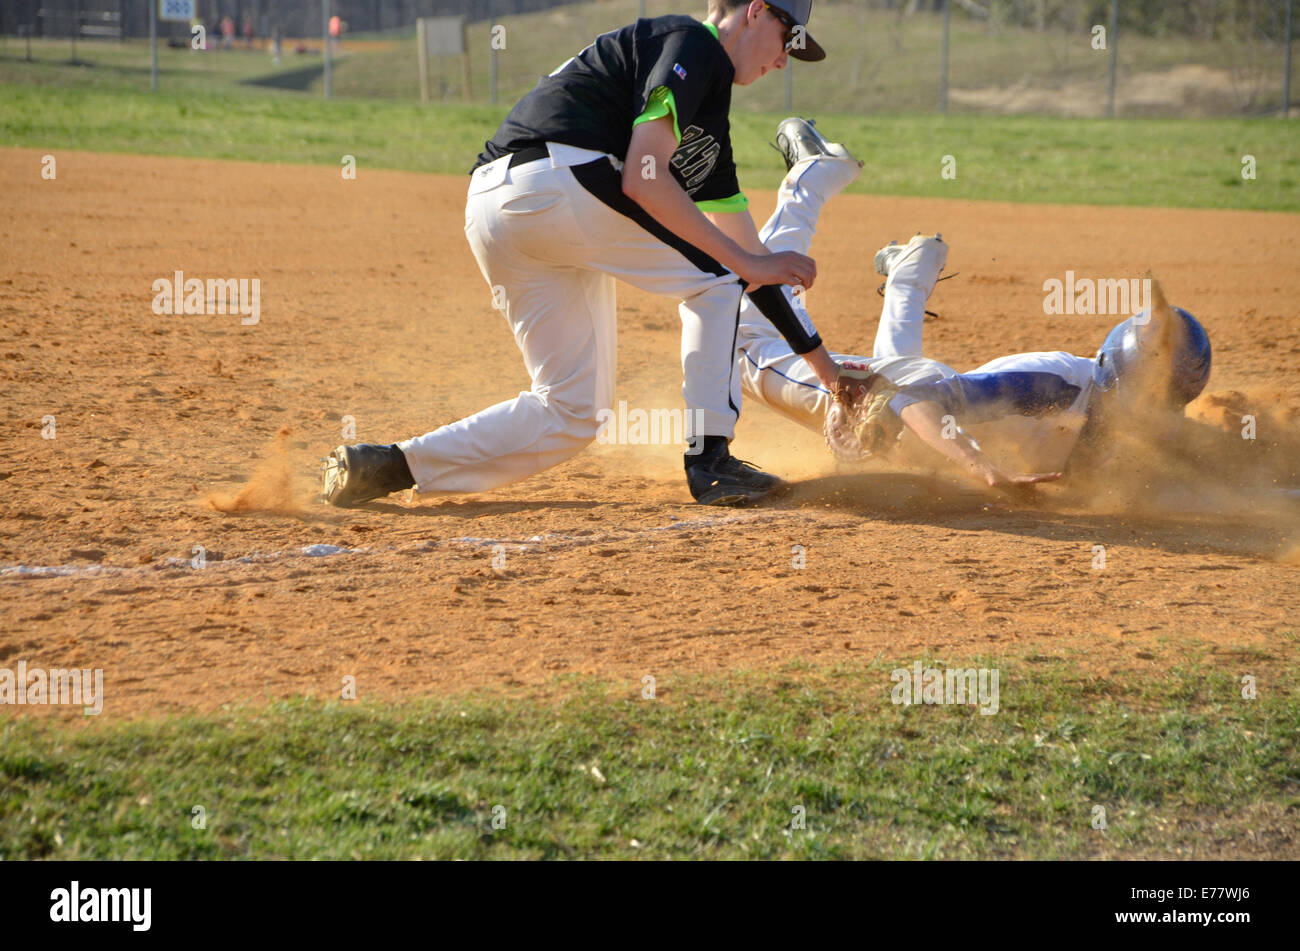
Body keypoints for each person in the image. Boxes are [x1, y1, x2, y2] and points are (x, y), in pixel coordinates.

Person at [321, 2, 867, 508]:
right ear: (754, 11)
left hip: (496, 206)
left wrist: (829, 375)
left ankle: (390, 466)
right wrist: (744, 265)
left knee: (572, 412)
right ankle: (711, 462)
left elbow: (754, 260)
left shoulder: (706, 123)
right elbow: (645, 176)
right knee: (720, 276)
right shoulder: (692, 44)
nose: (784, 60)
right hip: (559, 181)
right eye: (785, 39)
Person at [733, 122, 1213, 490]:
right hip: (907, 404)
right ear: (1110, 373)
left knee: (903, 373)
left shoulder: (1144, 404)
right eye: (1140, 399)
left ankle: (910, 273)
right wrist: (984, 470)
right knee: (745, 337)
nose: (1145, 413)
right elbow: (908, 400)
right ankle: (815, 176)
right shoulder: (1049, 385)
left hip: (925, 400)